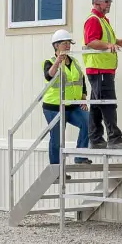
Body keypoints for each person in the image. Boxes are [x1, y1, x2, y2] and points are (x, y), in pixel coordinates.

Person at [83, 0, 122, 149]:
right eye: (106, 2)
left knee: (97, 105)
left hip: (102, 70)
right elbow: (91, 42)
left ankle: (96, 139)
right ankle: (114, 138)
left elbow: (113, 43)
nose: (109, 4)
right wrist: (109, 45)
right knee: (108, 104)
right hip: (99, 69)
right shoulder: (93, 20)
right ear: (96, 2)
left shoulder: (103, 21)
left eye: (110, 2)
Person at [43, 29, 91, 166]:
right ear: (56, 46)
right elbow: (49, 75)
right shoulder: (49, 61)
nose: (68, 46)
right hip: (54, 107)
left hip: (73, 105)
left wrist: (83, 98)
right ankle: (56, 168)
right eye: (64, 43)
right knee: (57, 137)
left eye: (69, 43)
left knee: (88, 122)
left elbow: (81, 80)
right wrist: (57, 62)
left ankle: (80, 157)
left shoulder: (74, 62)